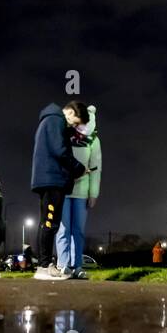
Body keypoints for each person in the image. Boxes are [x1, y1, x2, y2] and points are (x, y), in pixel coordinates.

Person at [30, 99, 87, 279]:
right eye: (76, 122)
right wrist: (78, 168)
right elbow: (60, 150)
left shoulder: (50, 120)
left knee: (47, 222)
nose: (75, 126)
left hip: (48, 178)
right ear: (70, 113)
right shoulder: (56, 120)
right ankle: (44, 266)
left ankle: (44, 265)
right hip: (52, 179)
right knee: (50, 223)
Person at [57, 103, 101, 279]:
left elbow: (96, 168)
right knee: (63, 229)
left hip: (82, 192)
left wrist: (93, 193)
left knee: (78, 230)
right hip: (64, 189)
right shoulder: (65, 134)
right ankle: (63, 264)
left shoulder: (94, 140)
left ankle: (77, 266)